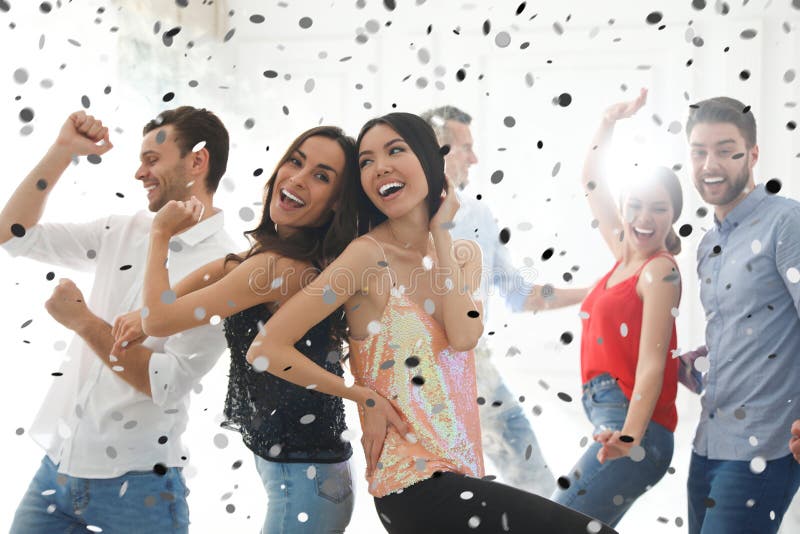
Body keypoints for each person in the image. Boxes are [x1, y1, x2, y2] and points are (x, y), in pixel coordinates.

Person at [248, 112, 617, 533]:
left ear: (429, 160)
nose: (380, 166)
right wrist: (361, 396)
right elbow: (266, 349)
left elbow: (464, 335)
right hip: (413, 483)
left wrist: (440, 233)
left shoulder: (463, 255)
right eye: (366, 161)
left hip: (462, 474)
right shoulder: (365, 257)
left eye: (395, 150)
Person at [0, 107, 237, 533]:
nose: (139, 173)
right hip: (58, 467)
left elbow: (166, 382)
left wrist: (83, 322)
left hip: (141, 488)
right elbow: (13, 233)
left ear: (198, 161)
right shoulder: (123, 230)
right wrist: (63, 150)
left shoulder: (227, 269)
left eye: (152, 159)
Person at [113, 126, 360, 533]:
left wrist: (161, 235)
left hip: (304, 482)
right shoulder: (279, 255)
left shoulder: (276, 269)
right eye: (296, 162)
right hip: (308, 476)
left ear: (336, 204)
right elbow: (227, 265)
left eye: (321, 176)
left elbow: (162, 318)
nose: (298, 177)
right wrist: (145, 314)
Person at [548, 89, 683, 528]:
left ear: (672, 216)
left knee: (554, 521)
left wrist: (630, 435)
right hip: (611, 414)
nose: (645, 218)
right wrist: (607, 122)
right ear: (623, 210)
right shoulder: (623, 257)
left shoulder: (658, 272)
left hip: (635, 426)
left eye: (659, 209)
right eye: (636, 206)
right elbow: (590, 179)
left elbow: (652, 365)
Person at [420, 105, 559, 496]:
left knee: (535, 482)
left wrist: (597, 290)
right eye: (465, 148)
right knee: (447, 493)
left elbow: (519, 293)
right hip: (423, 377)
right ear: (436, 152)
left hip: (477, 370)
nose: (475, 159)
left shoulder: (478, 214)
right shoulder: (395, 218)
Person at [683, 96, 800, 534]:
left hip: (763, 449)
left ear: (751, 155)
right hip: (707, 446)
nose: (710, 163)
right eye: (699, 151)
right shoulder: (707, 245)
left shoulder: (786, 223)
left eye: (725, 149)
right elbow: (753, 330)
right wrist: (703, 363)